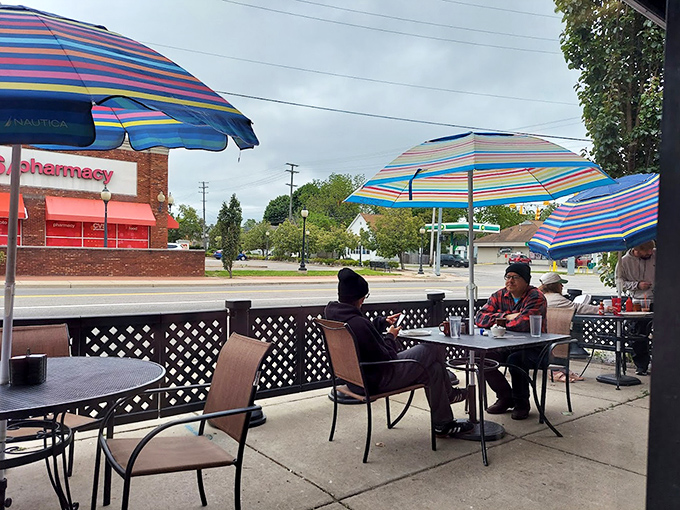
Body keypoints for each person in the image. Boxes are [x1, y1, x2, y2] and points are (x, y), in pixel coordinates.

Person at [324, 268, 472, 437]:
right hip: (378, 379)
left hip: (355, 380)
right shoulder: (357, 323)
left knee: (434, 370)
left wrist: (381, 322)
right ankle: (450, 394)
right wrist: (390, 336)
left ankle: (443, 424)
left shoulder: (335, 316)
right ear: (360, 298)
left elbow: (364, 336)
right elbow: (387, 356)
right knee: (432, 347)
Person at [475, 263, 547, 420]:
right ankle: (505, 397)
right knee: (481, 357)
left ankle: (522, 403)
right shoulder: (499, 295)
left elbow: (523, 324)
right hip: (504, 345)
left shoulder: (536, 296)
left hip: (534, 347)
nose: (510, 281)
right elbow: (479, 318)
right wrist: (506, 316)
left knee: (516, 359)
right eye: (508, 277)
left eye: (515, 277)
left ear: (526, 280)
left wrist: (497, 319)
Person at [538, 271, 599, 382]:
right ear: (555, 285)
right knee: (566, 338)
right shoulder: (557, 298)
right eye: (560, 283)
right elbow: (577, 307)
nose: (562, 286)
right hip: (550, 335)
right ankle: (556, 370)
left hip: (540, 332)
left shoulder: (541, 296)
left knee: (563, 338)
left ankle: (560, 369)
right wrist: (600, 309)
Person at [615, 240, 655, 375]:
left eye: (651, 250)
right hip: (638, 300)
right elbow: (620, 282)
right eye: (647, 251)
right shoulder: (624, 262)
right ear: (637, 250)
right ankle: (641, 366)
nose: (650, 253)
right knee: (638, 333)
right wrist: (637, 285)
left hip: (658, 298)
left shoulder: (655, 255)